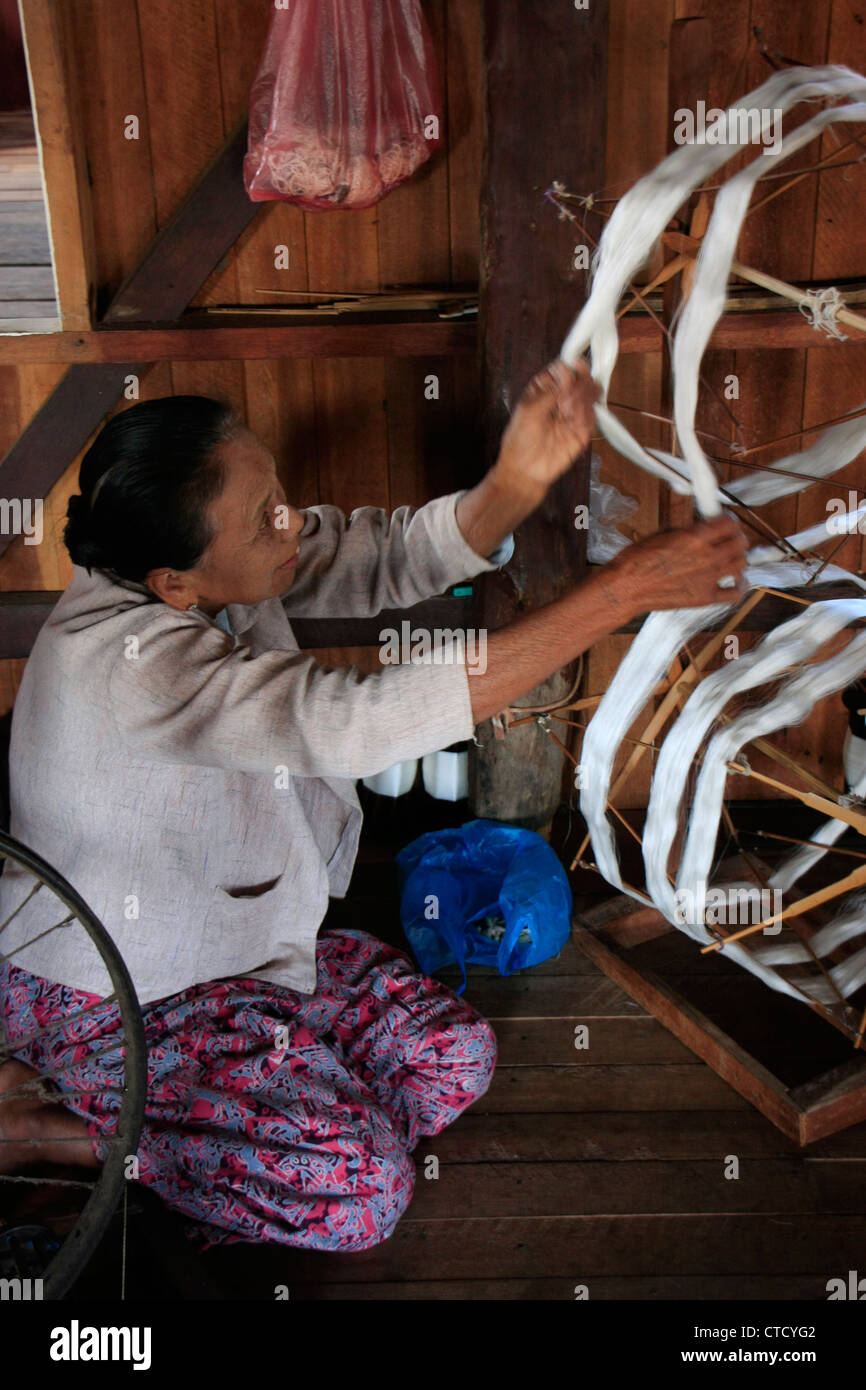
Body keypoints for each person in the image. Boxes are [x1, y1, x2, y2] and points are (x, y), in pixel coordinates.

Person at [0, 359, 748, 1252]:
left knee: (453, 1060)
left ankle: (235, 1152)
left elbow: (380, 553)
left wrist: (515, 481)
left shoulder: (212, 571)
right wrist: (621, 593)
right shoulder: (132, 667)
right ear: (173, 584)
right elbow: (355, 725)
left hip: (244, 958)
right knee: (364, 1194)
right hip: (120, 994)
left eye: (280, 494)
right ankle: (69, 1134)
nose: (292, 523)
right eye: (266, 517)